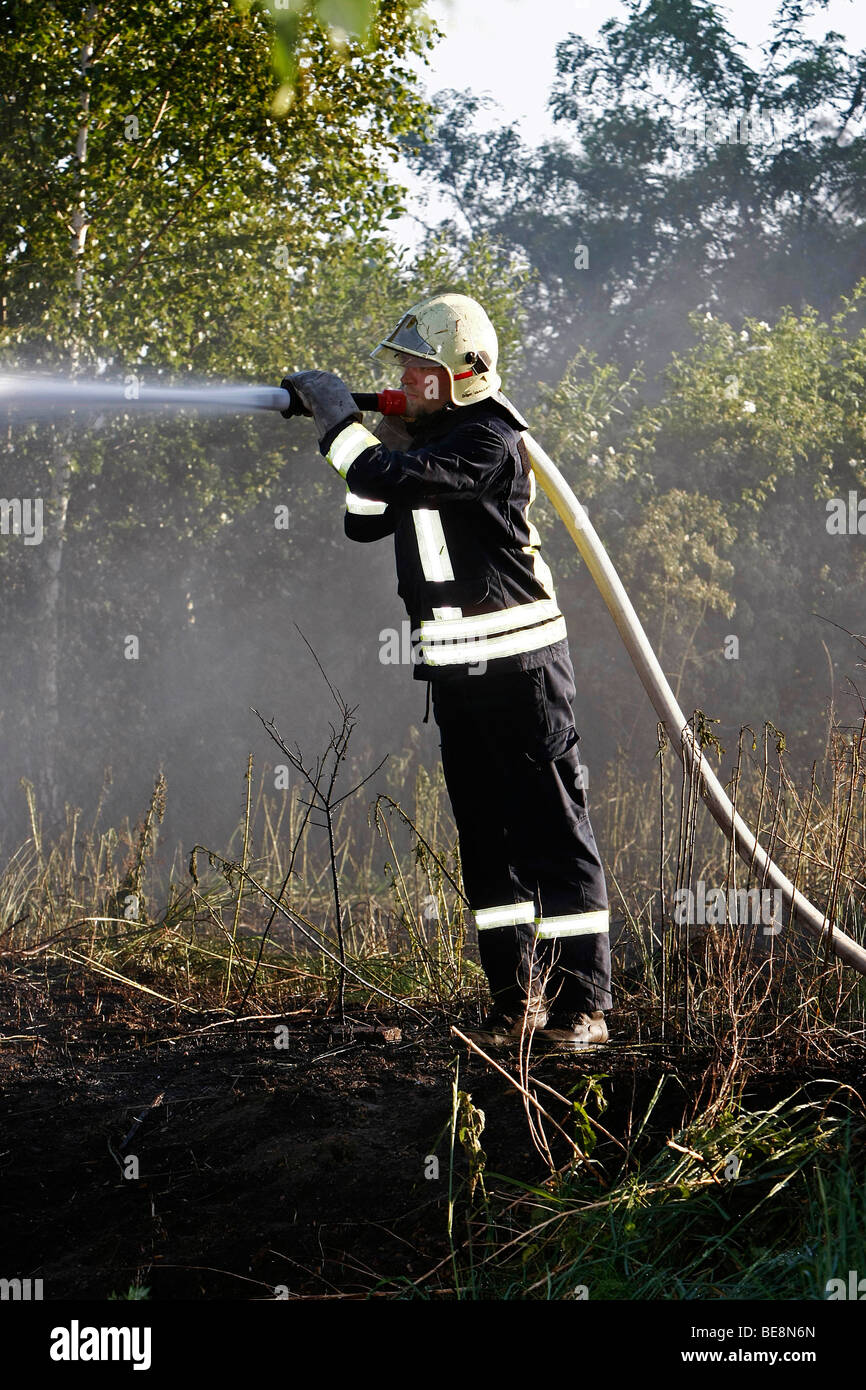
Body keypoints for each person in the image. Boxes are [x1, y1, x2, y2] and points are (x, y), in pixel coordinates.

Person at [285, 292, 611, 1048]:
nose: (399, 371)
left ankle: (580, 1008)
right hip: (458, 682)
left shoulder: (489, 439)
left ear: (460, 373)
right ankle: (515, 1000)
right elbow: (365, 517)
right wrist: (382, 436)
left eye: (413, 365)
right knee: (487, 844)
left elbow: (390, 480)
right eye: (397, 363)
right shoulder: (423, 445)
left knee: (553, 838)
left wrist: (342, 423)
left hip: (522, 674)